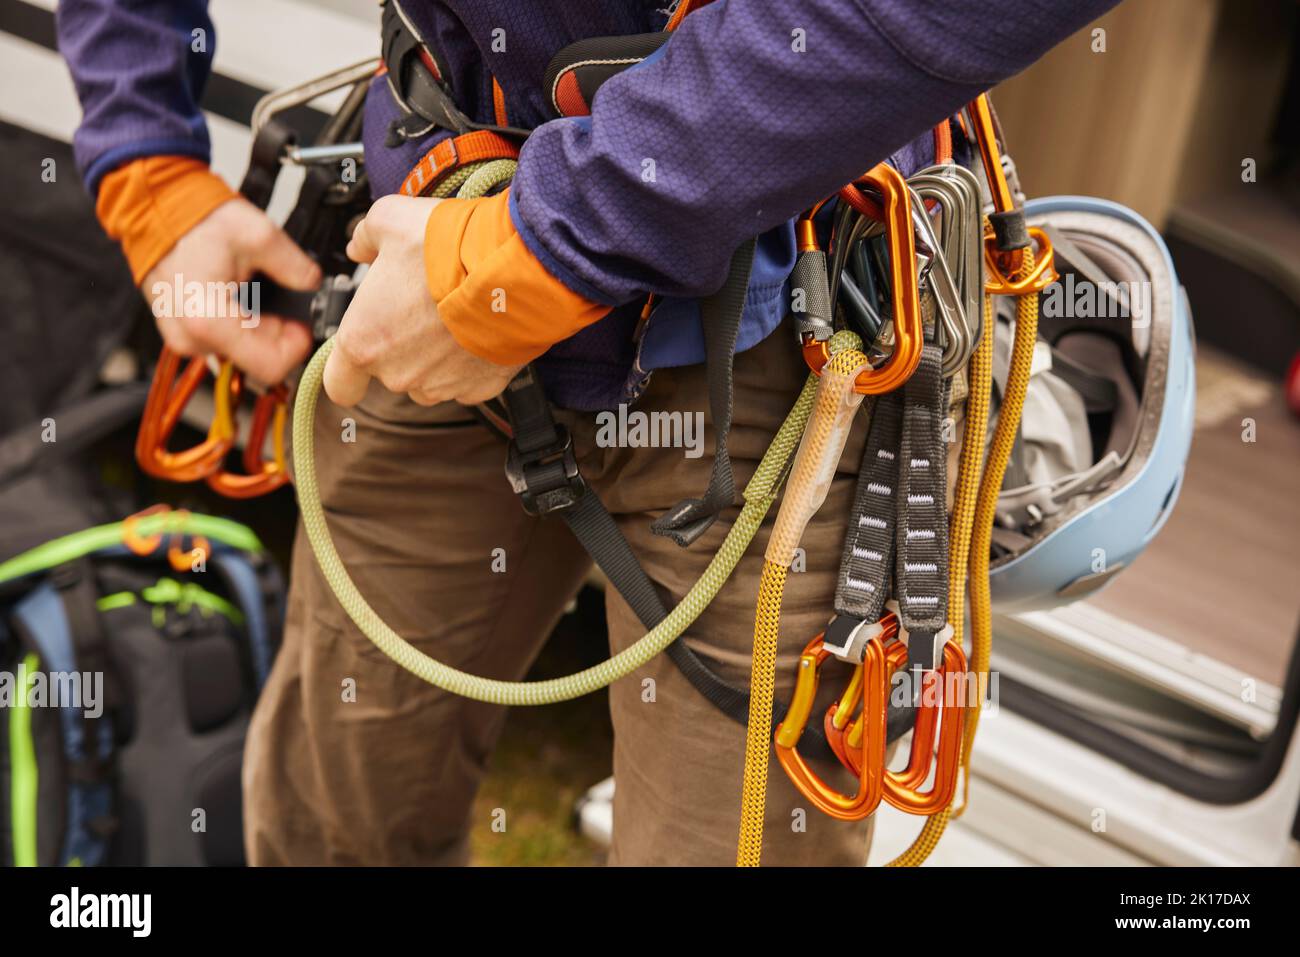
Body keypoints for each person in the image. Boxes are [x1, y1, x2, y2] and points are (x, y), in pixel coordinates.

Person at [59, 0, 1119, 865]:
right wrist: (144, 150)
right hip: (432, 252)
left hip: (789, 321)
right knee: (330, 819)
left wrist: (546, 249)